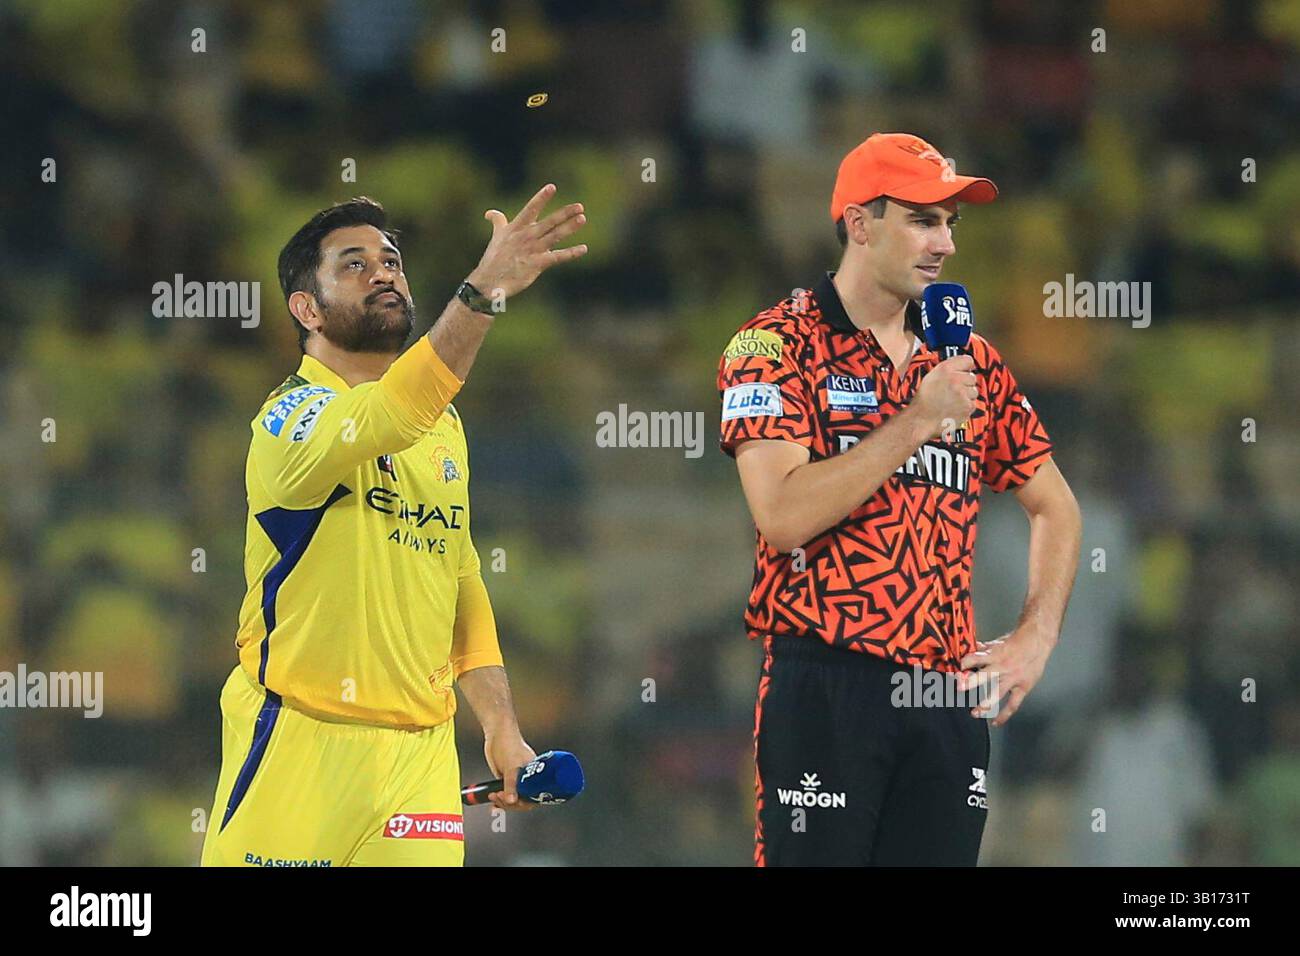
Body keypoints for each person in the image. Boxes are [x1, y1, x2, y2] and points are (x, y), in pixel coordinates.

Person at [717, 133, 1082, 866]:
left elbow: (1056, 507)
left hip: (947, 696)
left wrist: (1035, 638)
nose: (944, 243)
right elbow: (783, 515)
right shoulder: (774, 344)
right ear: (859, 222)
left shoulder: (967, 358)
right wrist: (918, 419)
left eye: (950, 223)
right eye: (923, 219)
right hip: (827, 682)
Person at [201, 187, 587, 866]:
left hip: (420, 762)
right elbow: (394, 414)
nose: (383, 272)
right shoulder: (288, 419)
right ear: (305, 309)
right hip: (298, 744)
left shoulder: (445, 425)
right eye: (353, 264)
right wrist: (483, 292)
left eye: (391, 260)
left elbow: (457, 573)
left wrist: (500, 726)